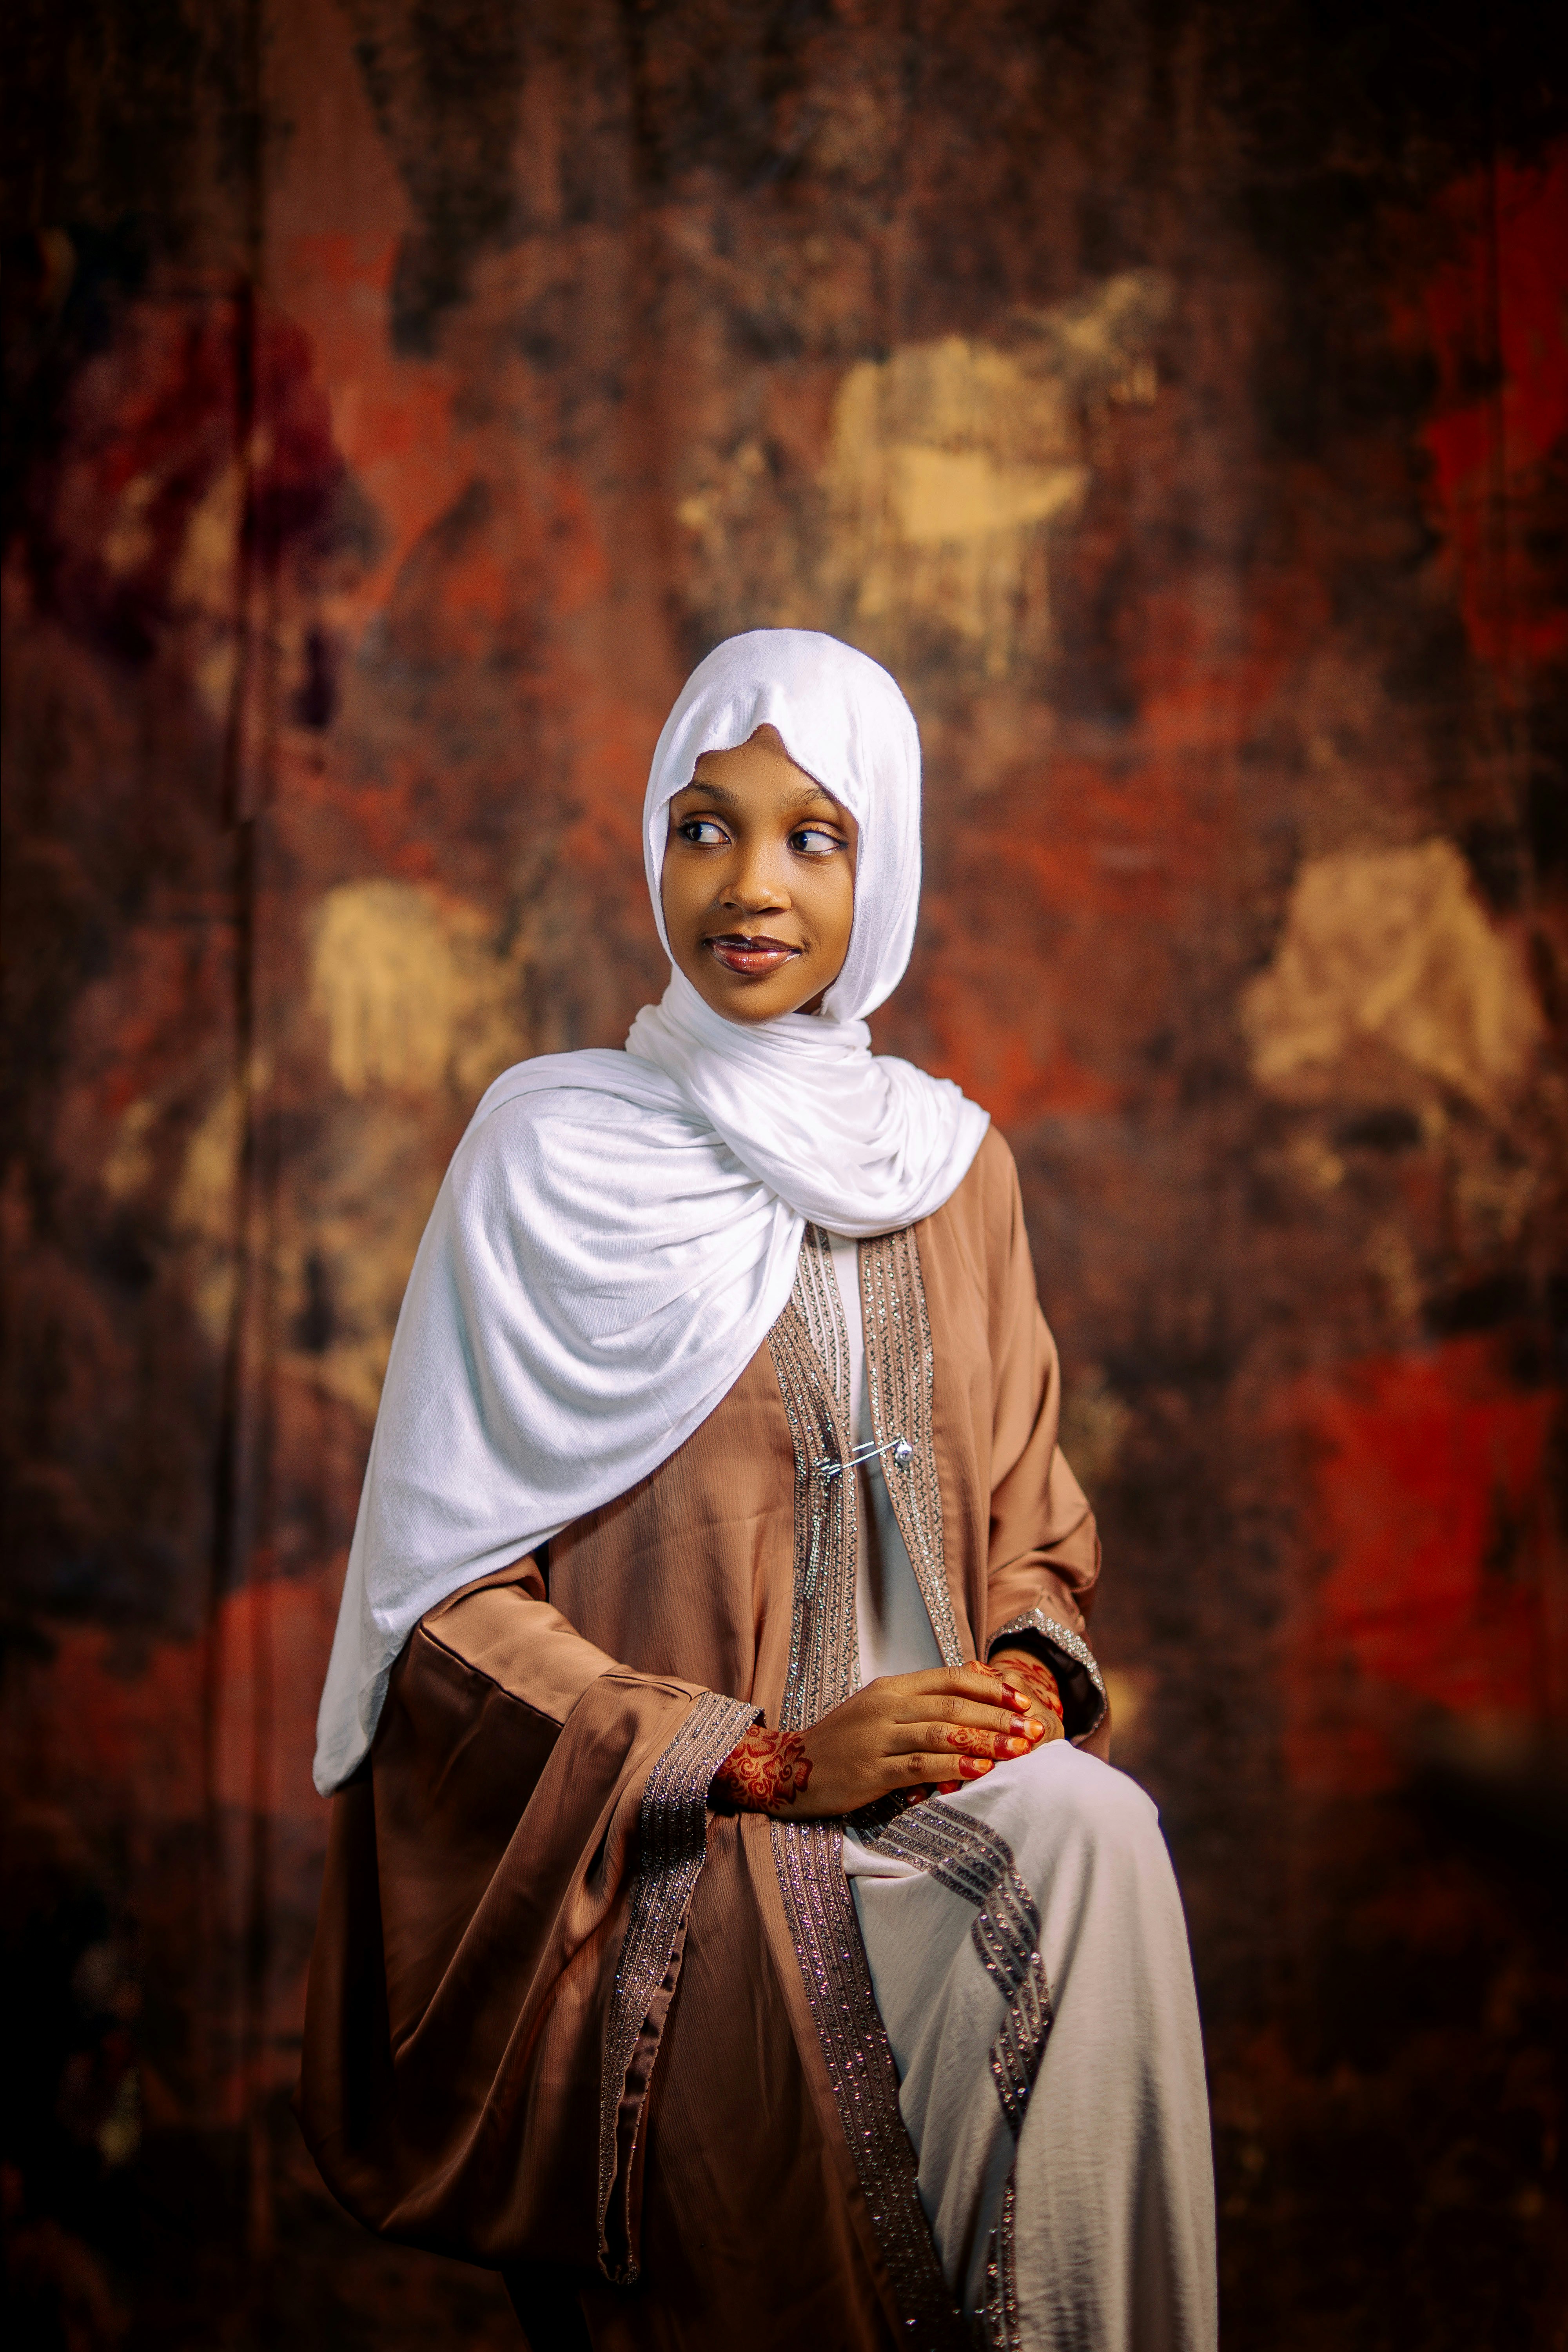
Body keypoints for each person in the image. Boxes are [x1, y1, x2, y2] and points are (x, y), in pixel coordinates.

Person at [299, 631, 1217, 2352]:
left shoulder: (950, 1165)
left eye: (816, 835)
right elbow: (443, 1610)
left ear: (889, 861)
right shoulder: (548, 1152)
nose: (750, 885)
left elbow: (1031, 1517)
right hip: (680, 1833)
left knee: (1101, 1834)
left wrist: (1019, 1680)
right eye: (703, 825)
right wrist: (764, 1758)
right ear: (653, 842)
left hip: (937, 1807)